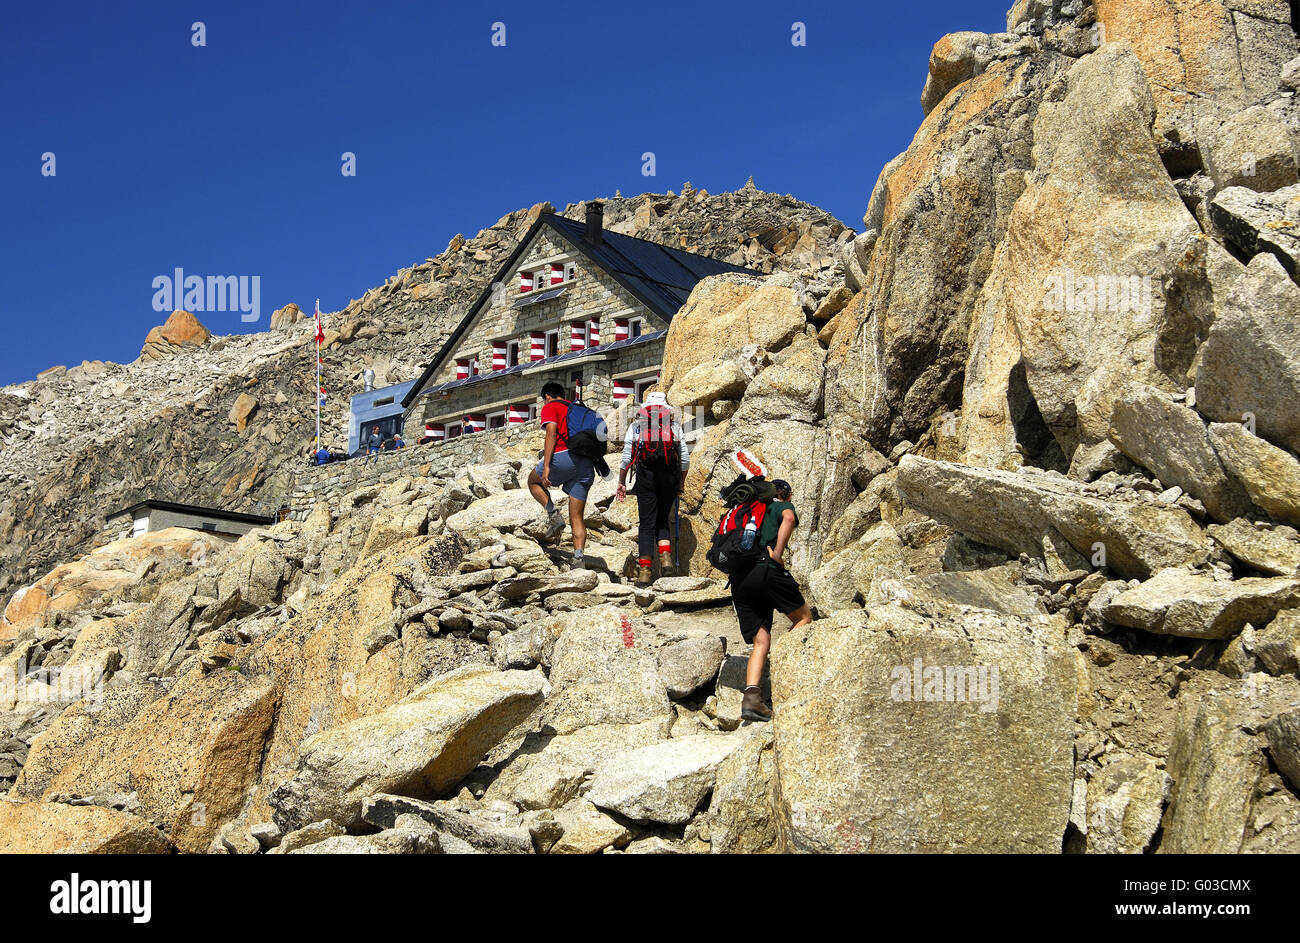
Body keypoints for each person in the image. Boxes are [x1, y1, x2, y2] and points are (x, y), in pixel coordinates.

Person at [729, 479, 813, 722]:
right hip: (765, 568)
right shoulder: (778, 506)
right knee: (803, 617)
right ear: (783, 494)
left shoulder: (746, 511)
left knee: (761, 639)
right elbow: (788, 519)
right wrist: (777, 553)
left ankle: (752, 699)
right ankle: (784, 667)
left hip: (739, 579)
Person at [616, 391, 689, 586]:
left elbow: (626, 458)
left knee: (647, 524)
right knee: (662, 522)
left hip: (646, 479)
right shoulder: (673, 427)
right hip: (669, 480)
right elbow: (684, 459)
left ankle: (645, 573)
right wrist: (680, 483)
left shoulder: (636, 426)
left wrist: (622, 482)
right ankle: (666, 563)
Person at [527, 381, 596, 567]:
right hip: (587, 463)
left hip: (563, 456)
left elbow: (551, 433)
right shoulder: (576, 409)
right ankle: (579, 558)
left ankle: (553, 514)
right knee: (577, 517)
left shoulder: (551, 406)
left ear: (547, 396)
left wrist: (547, 465)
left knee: (533, 481)